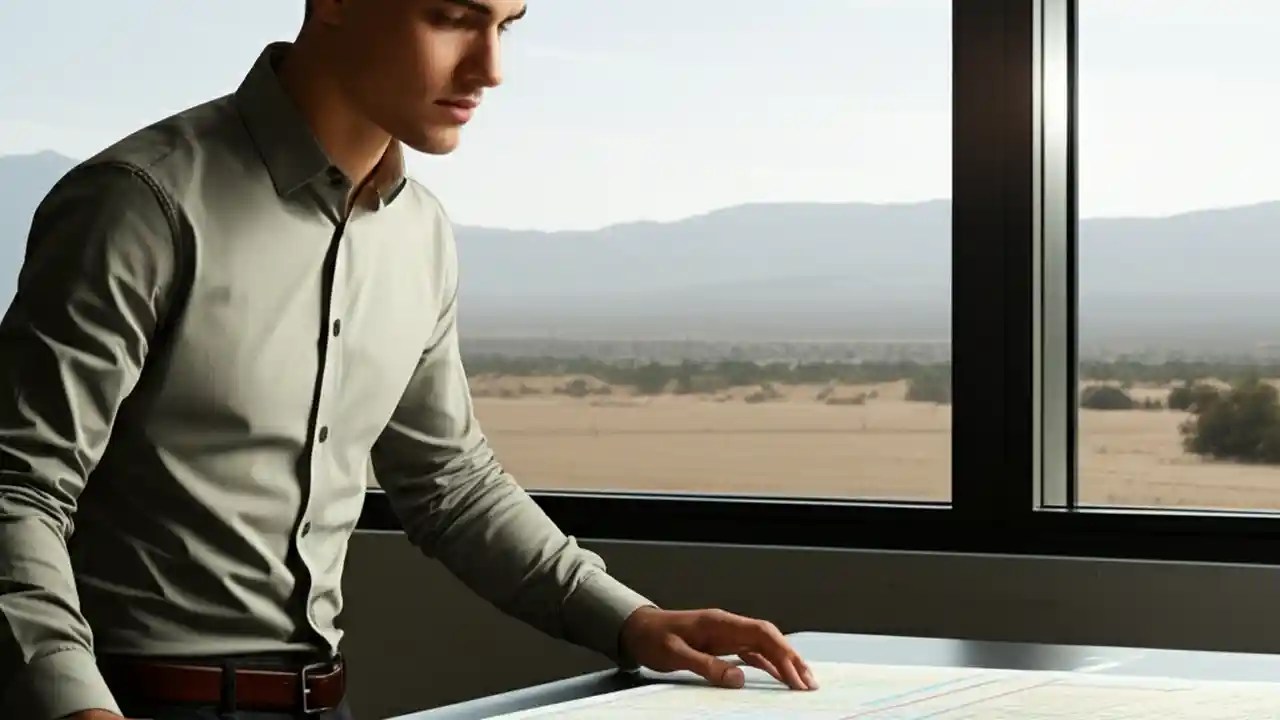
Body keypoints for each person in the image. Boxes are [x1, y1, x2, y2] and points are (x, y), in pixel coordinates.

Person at [0, 1, 819, 718]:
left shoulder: (419, 233)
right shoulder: (139, 206)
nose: (490, 68)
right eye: (453, 17)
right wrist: (75, 705)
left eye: (504, 26)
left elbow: (450, 484)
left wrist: (633, 621)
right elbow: (19, 487)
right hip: (130, 701)